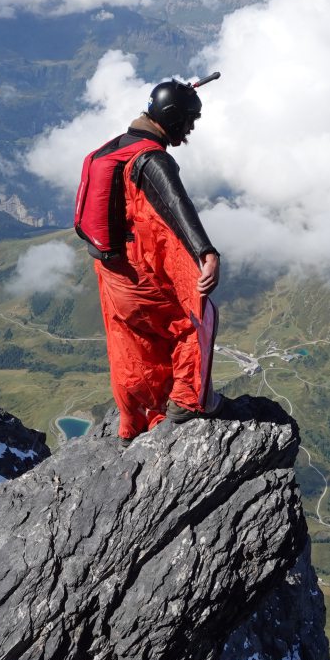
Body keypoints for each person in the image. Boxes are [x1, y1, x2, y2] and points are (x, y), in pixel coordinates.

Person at [83, 79, 224, 447]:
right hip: (137, 277)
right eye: (188, 121)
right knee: (194, 320)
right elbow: (178, 207)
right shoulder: (152, 160)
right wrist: (206, 252)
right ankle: (187, 402)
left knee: (130, 344)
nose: (190, 129)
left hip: (110, 272)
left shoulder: (114, 149)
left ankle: (134, 420)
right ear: (171, 117)